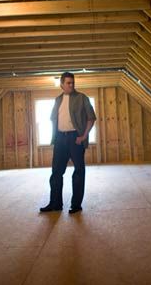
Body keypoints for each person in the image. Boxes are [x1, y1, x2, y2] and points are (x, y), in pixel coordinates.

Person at [40, 72, 96, 214]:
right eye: (68, 83)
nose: (71, 85)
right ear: (62, 85)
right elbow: (53, 118)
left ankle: (76, 205)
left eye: (72, 82)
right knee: (56, 173)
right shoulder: (58, 100)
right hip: (60, 138)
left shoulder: (82, 98)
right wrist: (55, 137)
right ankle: (55, 203)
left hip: (75, 138)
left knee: (78, 172)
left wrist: (83, 136)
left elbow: (91, 118)